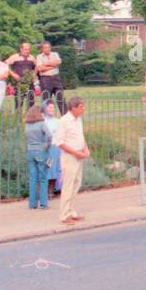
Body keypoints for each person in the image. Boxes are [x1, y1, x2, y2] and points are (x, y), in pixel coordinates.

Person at [54, 95, 89, 226]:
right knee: (68, 186)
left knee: (76, 184)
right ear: (73, 108)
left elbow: (81, 135)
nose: (83, 109)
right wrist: (75, 152)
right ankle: (64, 215)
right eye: (81, 107)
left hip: (79, 155)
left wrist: (86, 148)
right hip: (70, 157)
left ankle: (71, 211)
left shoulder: (78, 119)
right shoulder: (64, 121)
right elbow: (60, 142)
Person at [24, 104, 52, 210]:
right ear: (39, 113)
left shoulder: (27, 124)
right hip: (40, 151)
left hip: (30, 152)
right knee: (43, 179)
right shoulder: (41, 123)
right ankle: (44, 204)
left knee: (33, 179)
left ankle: (32, 204)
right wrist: (46, 145)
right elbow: (49, 136)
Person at [5, 42, 38, 111]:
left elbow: (37, 67)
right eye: (26, 49)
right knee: (19, 101)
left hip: (29, 82)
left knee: (31, 101)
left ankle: (30, 118)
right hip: (19, 82)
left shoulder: (32, 57)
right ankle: (18, 118)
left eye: (29, 49)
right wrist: (13, 74)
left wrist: (34, 74)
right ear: (21, 49)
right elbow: (5, 64)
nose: (27, 51)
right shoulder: (15, 56)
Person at [35, 41, 65, 113]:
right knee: (46, 99)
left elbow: (58, 62)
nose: (47, 49)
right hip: (45, 79)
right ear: (42, 49)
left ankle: (65, 116)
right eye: (45, 47)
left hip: (56, 78)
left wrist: (45, 64)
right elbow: (39, 69)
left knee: (60, 97)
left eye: (49, 47)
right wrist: (53, 66)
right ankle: (46, 116)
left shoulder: (55, 54)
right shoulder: (39, 57)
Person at [42, 99, 63, 198]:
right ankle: (43, 192)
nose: (51, 109)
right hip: (45, 149)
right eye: (49, 107)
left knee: (54, 169)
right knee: (46, 168)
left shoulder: (57, 121)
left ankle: (51, 191)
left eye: (53, 107)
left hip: (55, 148)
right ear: (44, 108)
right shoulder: (41, 121)